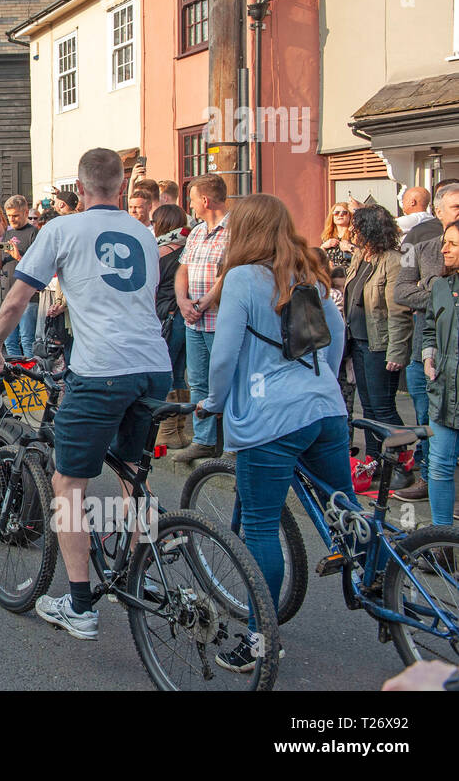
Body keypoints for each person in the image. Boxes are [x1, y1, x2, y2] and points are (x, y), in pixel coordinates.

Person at [0, 148, 172, 640]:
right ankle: (143, 573)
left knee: (68, 485)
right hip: (154, 367)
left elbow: (19, 296)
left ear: (80, 191)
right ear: (123, 187)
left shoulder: (61, 230)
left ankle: (81, 604)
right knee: (133, 476)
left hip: (101, 369)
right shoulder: (144, 234)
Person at [199, 193, 348, 672]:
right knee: (344, 509)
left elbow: (223, 356)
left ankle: (263, 643)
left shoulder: (242, 278)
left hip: (270, 418)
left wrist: (214, 404)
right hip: (325, 407)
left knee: (261, 526)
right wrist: (319, 378)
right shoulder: (306, 273)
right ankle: (381, 580)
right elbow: (337, 336)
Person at [393, 182, 459, 502]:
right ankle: (428, 479)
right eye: (456, 207)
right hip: (425, 350)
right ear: (438, 210)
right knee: (426, 420)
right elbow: (401, 291)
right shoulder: (414, 246)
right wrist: (439, 295)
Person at [344, 203, 412, 472]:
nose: (351, 230)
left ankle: (399, 464)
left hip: (380, 345)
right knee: (368, 409)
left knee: (383, 408)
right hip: (358, 342)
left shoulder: (393, 261)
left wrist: (396, 352)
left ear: (370, 229)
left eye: (356, 226)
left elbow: (399, 312)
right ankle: (374, 462)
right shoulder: (360, 256)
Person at [174, 173, 230, 463]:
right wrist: (183, 302)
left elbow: (229, 273)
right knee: (198, 382)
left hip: (219, 319)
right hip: (193, 320)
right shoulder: (195, 232)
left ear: (206, 200)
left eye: (193, 200)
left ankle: (232, 445)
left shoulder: (234, 231)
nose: (191, 205)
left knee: (226, 381)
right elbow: (183, 269)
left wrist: (206, 302)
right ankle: (203, 440)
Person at [417, 220, 459, 526]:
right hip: (443, 390)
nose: (443, 249)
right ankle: (441, 543)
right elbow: (430, 327)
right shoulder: (442, 286)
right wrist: (429, 359)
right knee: (439, 465)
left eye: (452, 244)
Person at [152, 203, 192, 449]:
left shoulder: (160, 252)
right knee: (179, 373)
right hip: (185, 317)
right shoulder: (189, 249)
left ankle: (166, 432)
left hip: (166, 315)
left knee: (166, 372)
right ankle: (178, 431)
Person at [0, 195, 38, 358]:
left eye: (15, 215)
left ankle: (32, 377)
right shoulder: (9, 235)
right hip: (9, 294)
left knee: (26, 340)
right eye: (9, 215)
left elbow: (36, 267)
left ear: (25, 212)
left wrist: (18, 256)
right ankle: (15, 376)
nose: (12, 219)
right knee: (10, 342)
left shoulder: (34, 234)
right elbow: (0, 265)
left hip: (27, 298)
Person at [319, 203, 355, 270]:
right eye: (336, 213)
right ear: (332, 217)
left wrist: (349, 248)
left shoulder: (354, 235)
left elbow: (362, 255)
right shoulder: (327, 237)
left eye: (344, 212)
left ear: (350, 216)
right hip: (331, 276)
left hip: (350, 275)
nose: (340, 215)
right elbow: (317, 258)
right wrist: (323, 246)